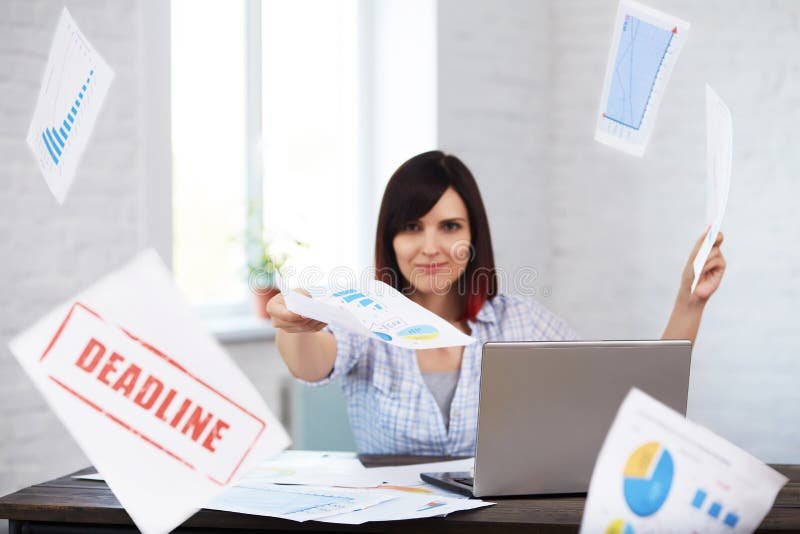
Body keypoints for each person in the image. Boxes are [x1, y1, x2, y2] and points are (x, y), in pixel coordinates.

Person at [267, 151, 726, 456]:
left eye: (449, 227)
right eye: (411, 226)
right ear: (390, 239)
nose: (430, 247)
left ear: (472, 237)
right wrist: (293, 324)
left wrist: (690, 302)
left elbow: (633, 394)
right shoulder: (364, 316)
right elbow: (309, 364)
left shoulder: (518, 321)